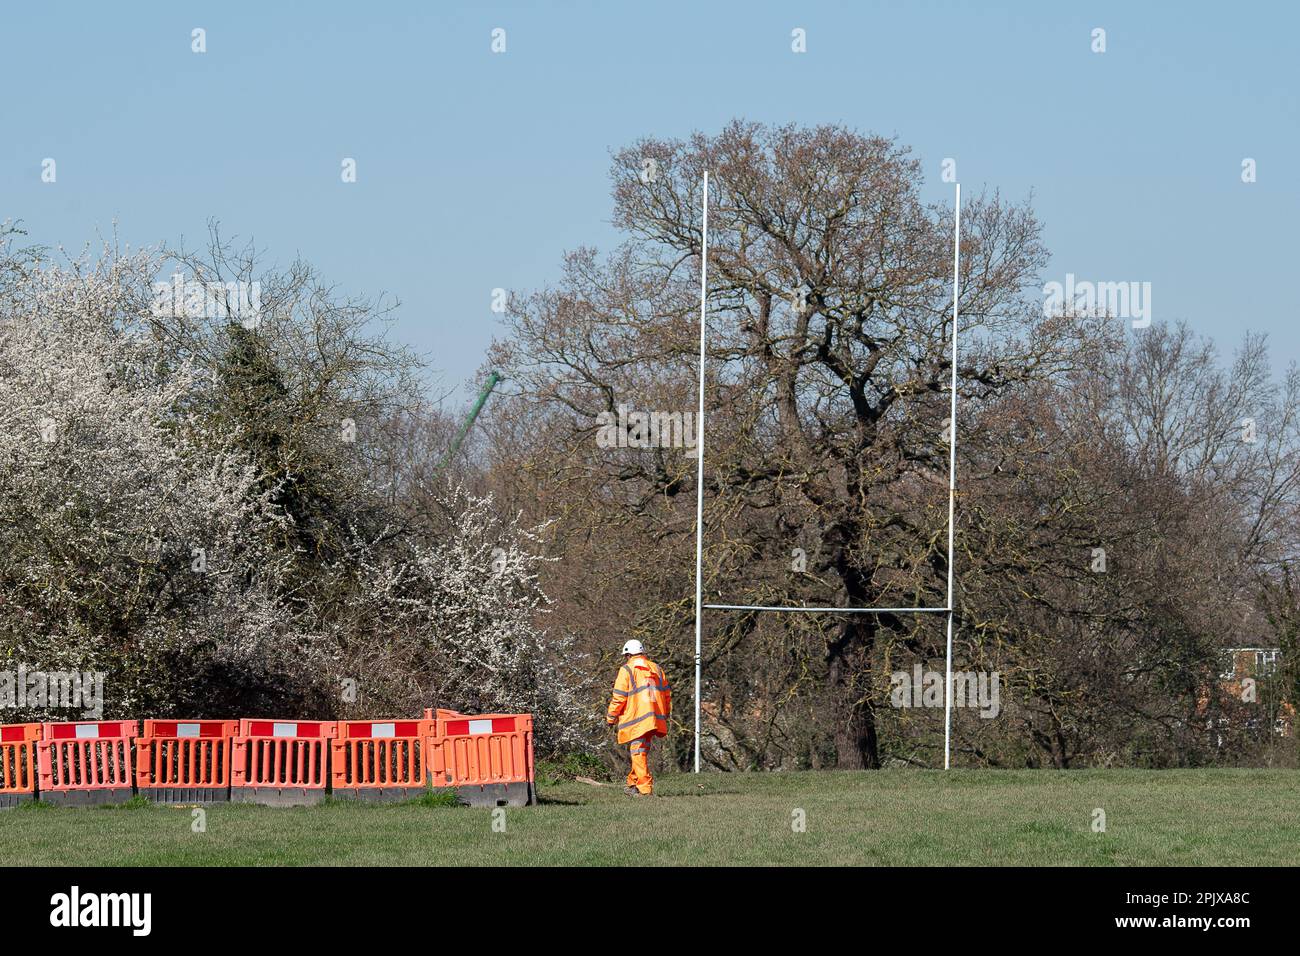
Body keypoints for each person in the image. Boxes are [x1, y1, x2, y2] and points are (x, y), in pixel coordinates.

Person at [606, 639, 671, 796]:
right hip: (654, 718)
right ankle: (632, 783)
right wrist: (665, 714)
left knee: (637, 751)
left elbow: (619, 697)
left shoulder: (627, 670)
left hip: (637, 719)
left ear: (628, 655)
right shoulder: (656, 668)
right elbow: (667, 695)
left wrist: (611, 717)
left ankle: (644, 788)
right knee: (641, 749)